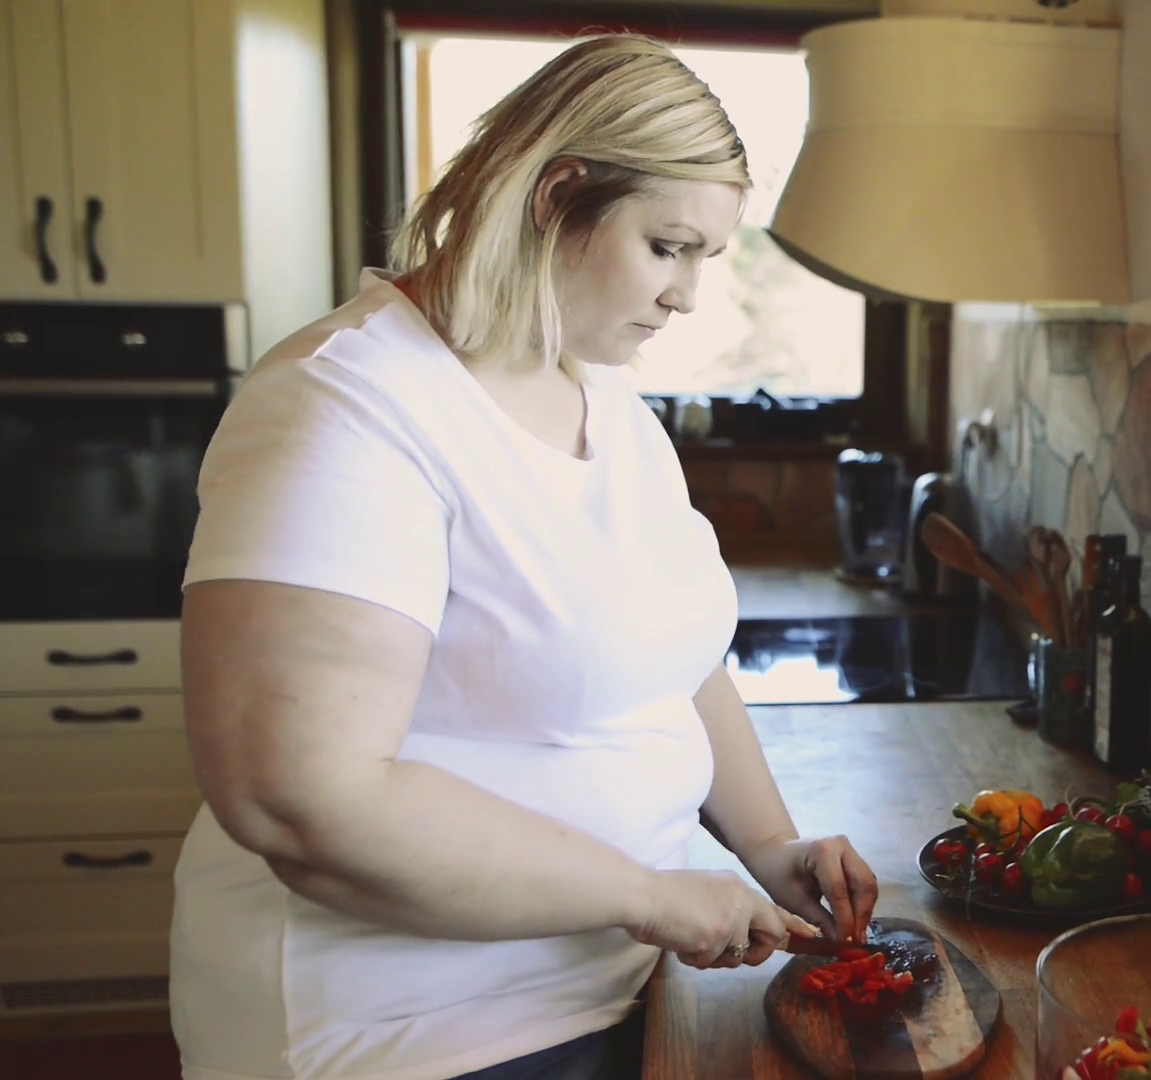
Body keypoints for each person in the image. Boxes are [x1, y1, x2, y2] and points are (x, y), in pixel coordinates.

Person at [170, 35, 878, 1080]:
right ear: (557, 196)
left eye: (706, 260)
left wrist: (770, 847)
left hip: (613, 988)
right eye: (668, 246)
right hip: (408, 1031)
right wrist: (649, 893)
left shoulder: (606, 398)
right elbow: (301, 798)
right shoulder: (346, 405)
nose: (687, 296)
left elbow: (677, 662)